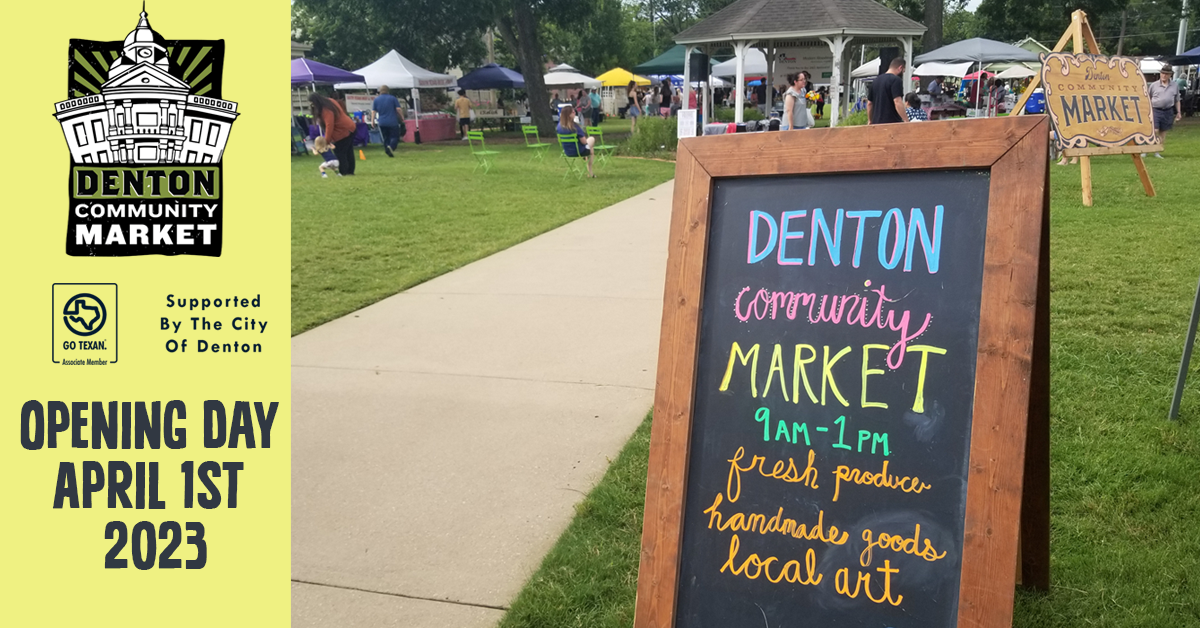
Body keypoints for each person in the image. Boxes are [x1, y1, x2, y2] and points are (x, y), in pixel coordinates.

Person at [309, 92, 357, 175]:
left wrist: (326, 141)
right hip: (350, 127)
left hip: (342, 131)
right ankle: (350, 171)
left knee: (340, 153)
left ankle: (344, 172)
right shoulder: (330, 101)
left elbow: (329, 125)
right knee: (349, 152)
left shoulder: (326, 110)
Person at [1146, 65, 1182, 159]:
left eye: (1166, 74)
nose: (1164, 75)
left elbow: (1177, 100)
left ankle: (1157, 152)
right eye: (1162, 73)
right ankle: (1146, 150)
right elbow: (1148, 98)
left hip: (1168, 111)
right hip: (1155, 110)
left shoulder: (1174, 85)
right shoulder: (1154, 85)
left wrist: (1179, 112)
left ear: (1170, 75)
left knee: (1163, 132)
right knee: (1154, 130)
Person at [557, 104, 596, 178]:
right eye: (573, 112)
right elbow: (584, 142)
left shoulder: (559, 126)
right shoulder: (575, 127)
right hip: (579, 151)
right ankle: (590, 172)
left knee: (590, 148)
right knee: (591, 140)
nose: (575, 113)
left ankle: (588, 162)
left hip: (567, 152)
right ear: (569, 115)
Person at [867, 57, 908, 124]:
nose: (903, 73)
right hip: (892, 122)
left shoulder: (875, 81)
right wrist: (906, 120)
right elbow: (897, 101)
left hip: (876, 123)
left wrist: (870, 120)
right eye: (903, 71)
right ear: (900, 68)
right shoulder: (896, 80)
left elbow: (869, 103)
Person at [371, 85, 404, 157]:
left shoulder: (376, 100)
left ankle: (387, 149)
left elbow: (373, 111)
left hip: (382, 122)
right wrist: (402, 116)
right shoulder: (392, 98)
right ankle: (391, 147)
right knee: (395, 136)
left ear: (380, 91)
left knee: (386, 137)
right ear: (388, 91)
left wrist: (372, 121)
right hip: (392, 121)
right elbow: (398, 109)